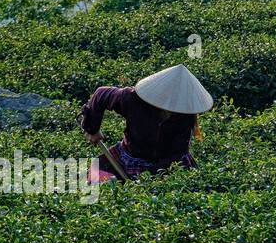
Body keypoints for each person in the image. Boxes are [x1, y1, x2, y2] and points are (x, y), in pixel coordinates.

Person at [79, 63, 213, 182]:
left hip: (169, 164)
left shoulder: (186, 115)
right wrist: (92, 128)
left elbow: (178, 152)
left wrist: (148, 178)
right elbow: (101, 94)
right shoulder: (132, 99)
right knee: (93, 181)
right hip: (130, 157)